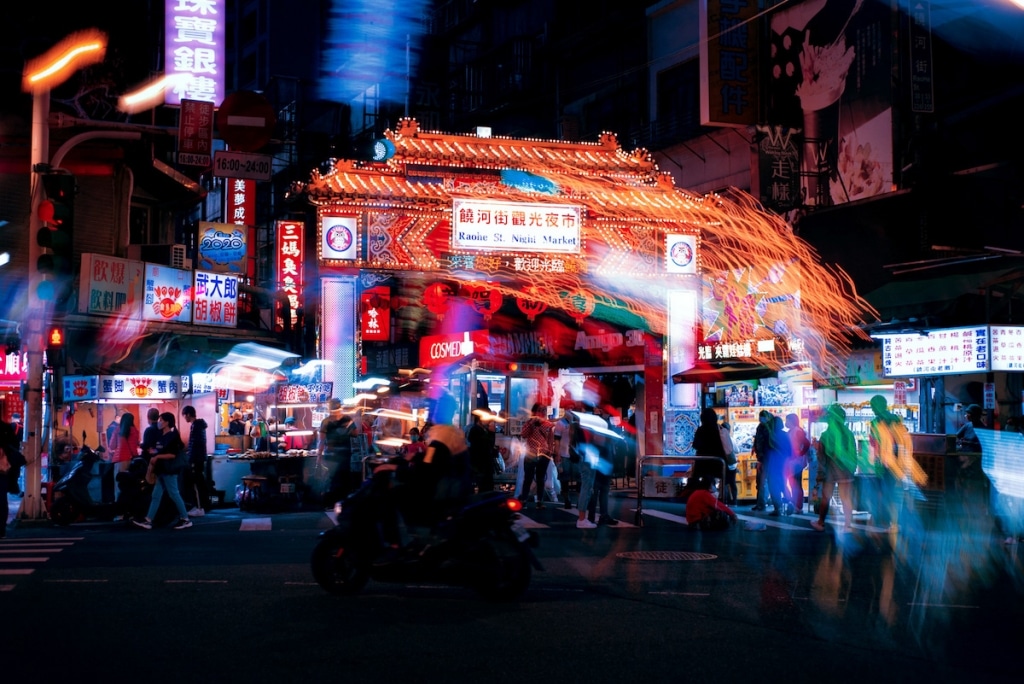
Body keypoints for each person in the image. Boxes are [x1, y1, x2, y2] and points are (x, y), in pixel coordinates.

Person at [132, 412, 192, 530]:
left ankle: (185, 519)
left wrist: (157, 457)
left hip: (169, 470)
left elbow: (172, 455)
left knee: (174, 494)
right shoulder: (162, 435)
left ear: (167, 422)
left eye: (161, 420)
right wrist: (154, 452)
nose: (159, 422)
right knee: (156, 495)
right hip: (162, 470)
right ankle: (148, 520)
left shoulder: (172, 436)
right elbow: (162, 451)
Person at [811, 404, 857, 532]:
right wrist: (852, 468)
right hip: (846, 471)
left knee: (826, 497)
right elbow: (854, 454)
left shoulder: (826, 435)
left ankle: (820, 523)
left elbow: (822, 457)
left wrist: (816, 448)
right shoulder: (849, 433)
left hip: (830, 472)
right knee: (846, 498)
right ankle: (848, 525)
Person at [318, 399, 357, 507]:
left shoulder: (326, 421)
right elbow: (355, 434)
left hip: (331, 455)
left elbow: (321, 440)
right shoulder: (347, 420)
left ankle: (331, 503)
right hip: (345, 454)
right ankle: (343, 503)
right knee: (344, 479)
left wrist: (319, 455)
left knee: (332, 478)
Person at [518, 402, 554, 508]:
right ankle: (524, 499)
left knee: (541, 478)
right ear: (534, 412)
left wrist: (550, 452)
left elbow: (550, 439)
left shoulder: (548, 424)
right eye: (540, 410)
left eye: (544, 410)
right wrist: (532, 422)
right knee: (528, 478)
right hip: (531, 454)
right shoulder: (529, 423)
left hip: (544, 454)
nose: (542, 412)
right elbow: (523, 434)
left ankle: (539, 501)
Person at [182, 405, 210, 517]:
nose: (185, 418)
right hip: (200, 458)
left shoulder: (196, 426)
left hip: (196, 459)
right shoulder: (199, 425)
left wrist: (190, 458)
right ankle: (201, 506)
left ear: (188, 414)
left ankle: (200, 508)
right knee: (200, 483)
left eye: (184, 415)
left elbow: (194, 444)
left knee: (197, 484)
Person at [1, 419, 27, 539]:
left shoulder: (7, 428)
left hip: (3, 468)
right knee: (1, 500)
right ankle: (1, 529)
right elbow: (14, 445)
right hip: (3, 469)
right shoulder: (6, 428)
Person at [553, 407, 581, 509]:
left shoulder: (578, 422)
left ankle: (579, 501)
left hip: (576, 454)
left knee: (579, 478)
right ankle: (567, 500)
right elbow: (557, 440)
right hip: (564, 454)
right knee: (564, 479)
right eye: (569, 409)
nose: (571, 411)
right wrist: (557, 454)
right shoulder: (561, 423)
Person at [785, 413, 810, 512]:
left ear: (791, 421)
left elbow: (806, 443)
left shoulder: (797, 431)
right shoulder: (791, 431)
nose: (786, 422)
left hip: (797, 463)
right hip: (793, 462)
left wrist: (800, 454)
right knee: (793, 483)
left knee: (796, 484)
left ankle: (798, 506)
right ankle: (795, 504)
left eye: (787, 420)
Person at [767, 414, 791, 516]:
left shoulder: (771, 435)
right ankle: (790, 503)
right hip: (784, 464)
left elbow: (767, 451)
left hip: (772, 464)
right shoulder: (786, 435)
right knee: (783, 484)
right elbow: (790, 450)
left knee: (773, 486)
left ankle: (778, 508)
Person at [466, 411, 496, 493]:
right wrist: (491, 432)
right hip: (480, 465)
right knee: (483, 488)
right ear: (479, 419)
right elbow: (487, 444)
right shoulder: (475, 430)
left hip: (483, 466)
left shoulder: (483, 429)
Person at [752, 410, 773, 511]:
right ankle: (760, 502)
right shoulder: (760, 427)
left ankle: (762, 503)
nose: (761, 419)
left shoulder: (768, 428)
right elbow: (757, 441)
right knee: (760, 481)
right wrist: (754, 448)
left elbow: (766, 443)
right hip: (761, 458)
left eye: (762, 416)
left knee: (763, 481)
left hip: (766, 458)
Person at [720, 421, 738, 505]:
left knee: (725, 483)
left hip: (724, 465)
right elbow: (737, 450)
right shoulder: (732, 440)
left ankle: (725, 501)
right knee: (732, 483)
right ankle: (734, 501)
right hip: (732, 465)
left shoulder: (720, 439)